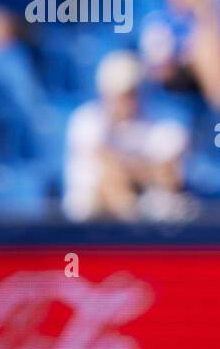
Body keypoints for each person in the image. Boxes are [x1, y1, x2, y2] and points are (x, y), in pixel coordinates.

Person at [63, 51, 191, 222]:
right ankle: (133, 230)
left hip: (148, 209)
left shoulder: (164, 123)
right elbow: (109, 168)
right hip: (90, 211)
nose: (124, 100)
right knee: (112, 183)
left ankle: (135, 231)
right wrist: (143, 170)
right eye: (119, 93)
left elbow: (169, 176)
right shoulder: (86, 120)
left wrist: (130, 172)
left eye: (131, 92)